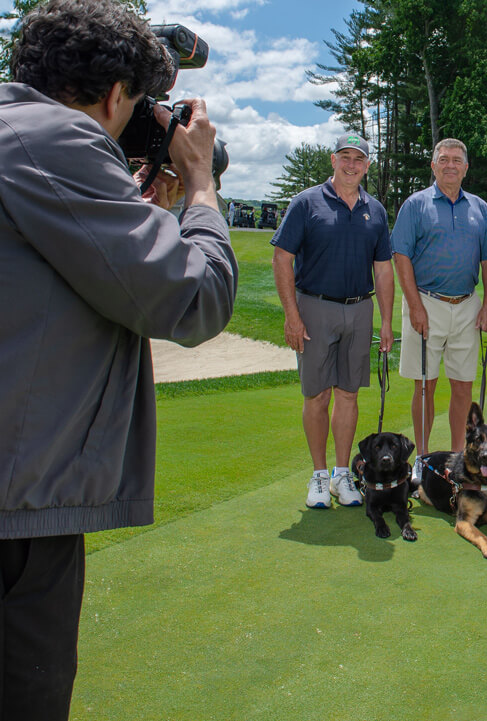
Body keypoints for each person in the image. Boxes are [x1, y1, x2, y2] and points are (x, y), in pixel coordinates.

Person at [0, 1, 237, 717]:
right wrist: (199, 187)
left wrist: (135, 207)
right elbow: (193, 298)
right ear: (112, 96)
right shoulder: (54, 138)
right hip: (16, 513)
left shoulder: (19, 134)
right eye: (137, 102)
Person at [272, 134, 394, 510]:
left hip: (359, 309)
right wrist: (292, 315)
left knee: (349, 393)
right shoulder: (306, 203)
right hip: (314, 307)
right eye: (346, 157)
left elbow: (384, 270)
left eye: (359, 159)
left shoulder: (376, 210)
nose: (352, 165)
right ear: (333, 160)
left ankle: (343, 475)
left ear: (367, 165)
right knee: (317, 394)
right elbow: (282, 258)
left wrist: (387, 321)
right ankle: (319, 477)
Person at [391, 138, 487, 470]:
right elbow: (401, 256)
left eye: (456, 160)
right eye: (443, 159)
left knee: (463, 388)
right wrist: (414, 305)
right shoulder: (415, 205)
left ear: (465, 168)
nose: (450, 165)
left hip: (468, 304)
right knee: (425, 385)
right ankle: (423, 459)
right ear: (433, 165)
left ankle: (457, 459)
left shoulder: (479, 207)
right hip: (426, 301)